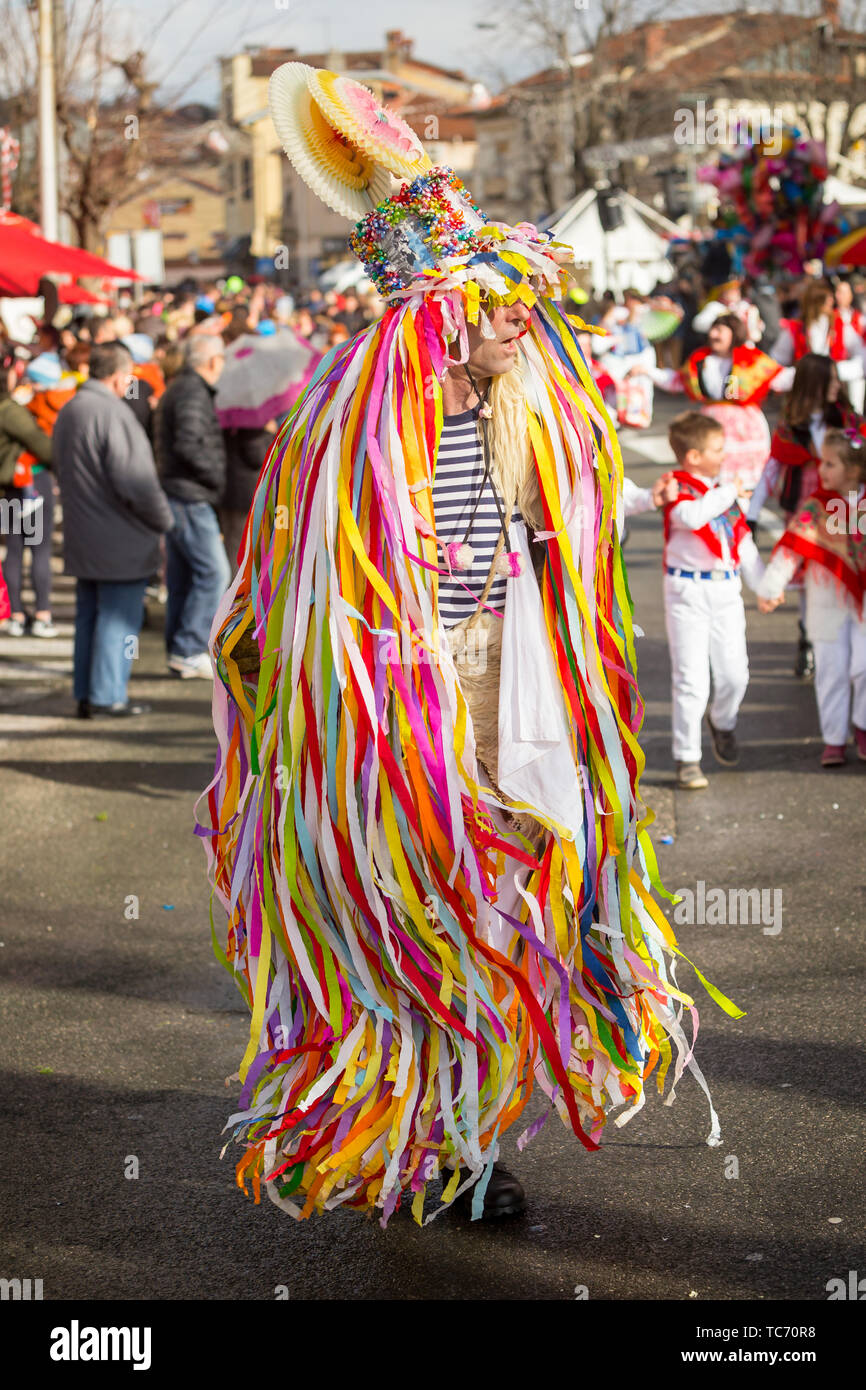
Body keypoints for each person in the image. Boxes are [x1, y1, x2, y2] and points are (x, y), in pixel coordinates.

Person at [197, 64, 741, 1228]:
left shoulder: (518, 402)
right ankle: (429, 1144)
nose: (517, 324)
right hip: (397, 699)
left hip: (506, 674)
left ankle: (476, 1137)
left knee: (513, 906)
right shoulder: (356, 411)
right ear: (441, 310)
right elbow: (297, 575)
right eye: (497, 308)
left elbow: (569, 512)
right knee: (415, 917)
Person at [52, 341, 174, 716]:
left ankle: (88, 692)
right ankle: (108, 695)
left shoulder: (70, 409)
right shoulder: (112, 414)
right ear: (121, 377)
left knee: (90, 615)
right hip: (119, 534)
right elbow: (136, 482)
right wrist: (165, 522)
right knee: (119, 619)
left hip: (83, 529)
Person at [662, 412, 765, 789]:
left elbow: (742, 544)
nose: (724, 456)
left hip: (726, 590)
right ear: (693, 456)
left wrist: (766, 588)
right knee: (691, 680)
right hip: (686, 591)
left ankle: (723, 722)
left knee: (735, 675)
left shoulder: (723, 492)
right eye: (717, 450)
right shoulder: (679, 487)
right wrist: (729, 492)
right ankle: (686, 757)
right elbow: (692, 517)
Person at [757, 428, 866, 766]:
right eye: (822, 463)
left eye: (830, 464)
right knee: (831, 669)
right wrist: (771, 586)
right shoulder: (817, 507)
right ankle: (834, 738)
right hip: (825, 600)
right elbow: (791, 548)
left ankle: (862, 726)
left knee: (863, 667)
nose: (822, 471)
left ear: (853, 469)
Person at [748, 354, 851, 679]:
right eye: (830, 379)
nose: (837, 385)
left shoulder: (847, 420)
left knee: (839, 568)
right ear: (815, 384)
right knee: (808, 578)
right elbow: (773, 466)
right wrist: (752, 514)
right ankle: (808, 639)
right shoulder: (792, 424)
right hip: (805, 507)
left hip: (840, 507)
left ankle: (843, 635)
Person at [632, 313, 791, 495]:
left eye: (719, 330)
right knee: (711, 482)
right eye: (712, 329)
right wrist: (648, 372)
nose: (713, 335)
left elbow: (778, 377)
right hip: (710, 426)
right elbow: (677, 380)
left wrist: (814, 371)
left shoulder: (751, 359)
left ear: (734, 333)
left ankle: (746, 518)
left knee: (745, 485)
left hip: (744, 428)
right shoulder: (701, 359)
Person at [156, 334, 231, 679]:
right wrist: (215, 475)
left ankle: (180, 649)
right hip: (189, 493)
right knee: (213, 572)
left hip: (180, 491)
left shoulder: (185, 388)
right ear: (213, 361)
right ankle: (188, 648)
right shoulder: (191, 391)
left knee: (185, 574)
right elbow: (188, 444)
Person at [0, 344, 54, 637]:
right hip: (30, 485)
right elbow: (43, 447)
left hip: (8, 489)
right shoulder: (10, 411)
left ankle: (17, 613)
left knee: (14, 550)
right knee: (39, 549)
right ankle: (42, 613)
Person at [771, 280, 866, 412]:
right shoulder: (795, 329)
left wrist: (837, 371)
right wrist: (798, 375)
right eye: (824, 300)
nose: (830, 303)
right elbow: (775, 362)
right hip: (803, 400)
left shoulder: (840, 325)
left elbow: (861, 358)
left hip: (833, 399)